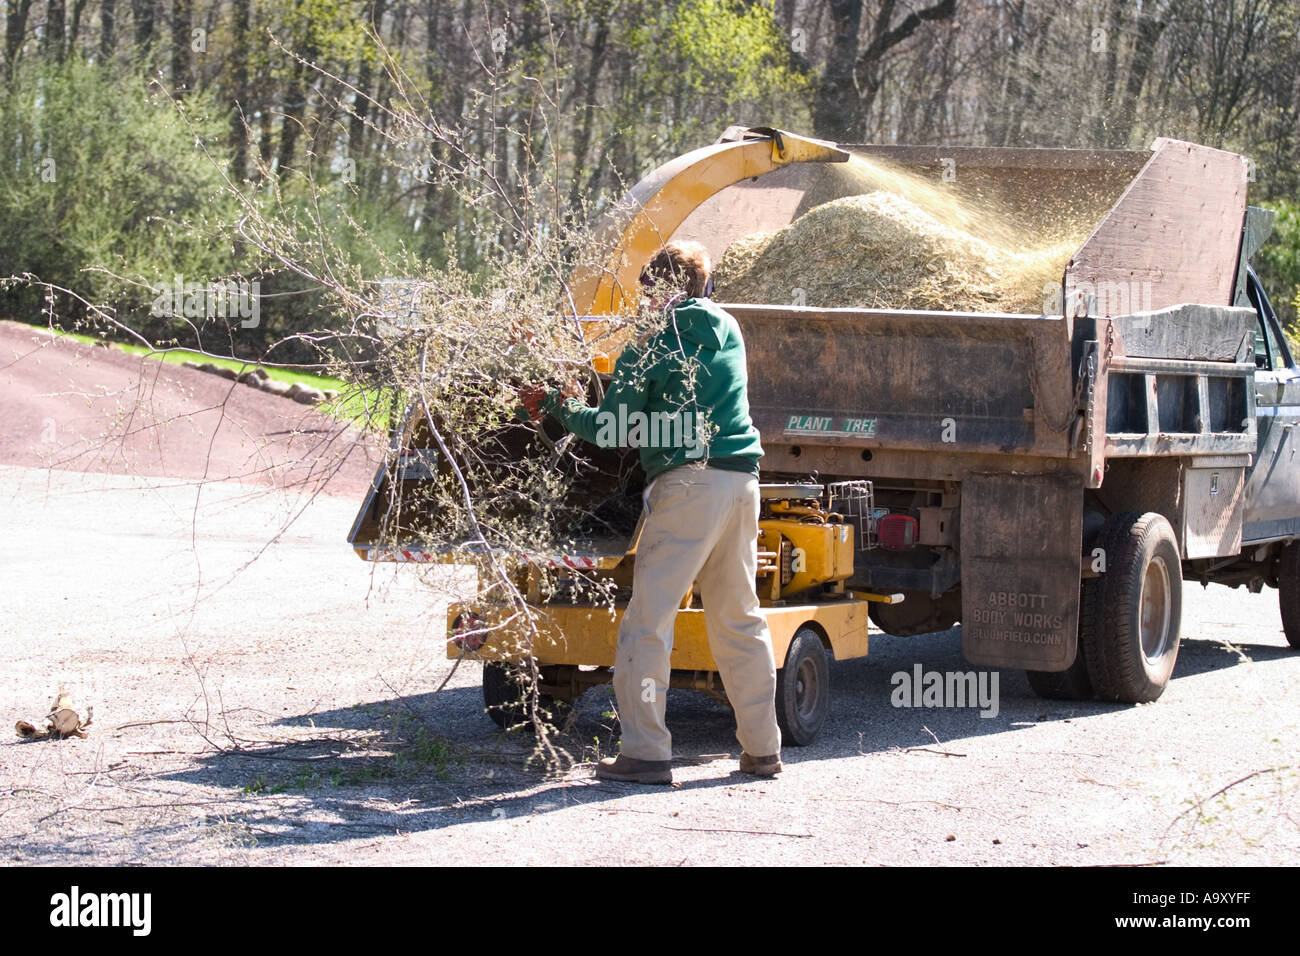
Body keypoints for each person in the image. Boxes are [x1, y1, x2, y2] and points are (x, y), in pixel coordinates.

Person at [522, 240, 782, 784]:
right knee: (739, 618)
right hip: (742, 482)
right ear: (704, 287)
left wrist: (557, 403)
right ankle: (763, 749)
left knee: (648, 623)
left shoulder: (650, 342)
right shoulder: (728, 328)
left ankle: (645, 752)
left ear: (652, 294)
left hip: (688, 487)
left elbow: (610, 429)